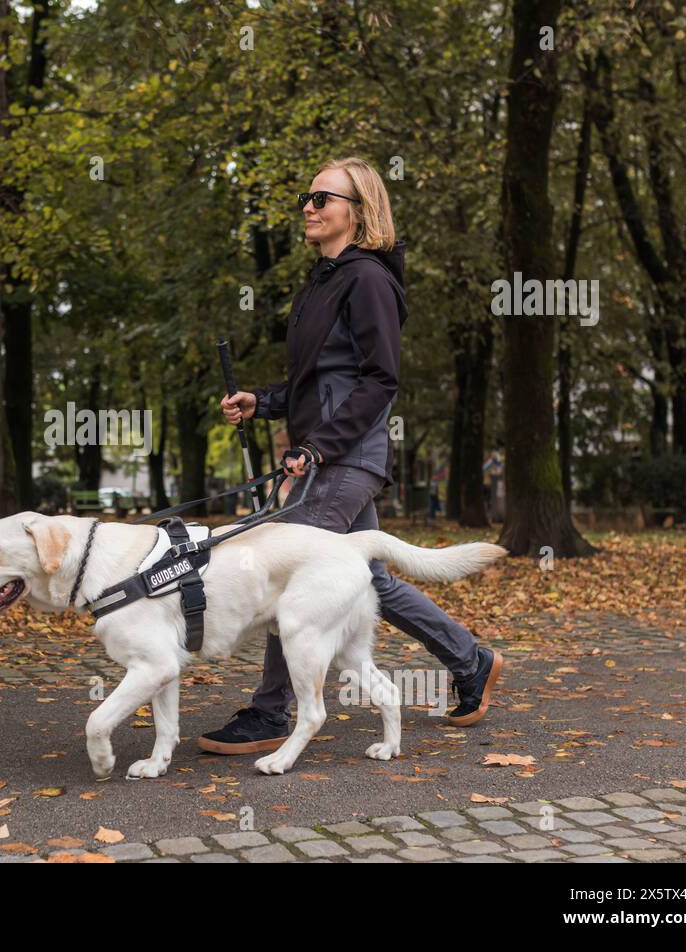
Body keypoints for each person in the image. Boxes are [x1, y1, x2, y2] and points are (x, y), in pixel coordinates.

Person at [198, 156, 502, 756]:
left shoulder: (367, 279)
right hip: (326, 453)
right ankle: (472, 661)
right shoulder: (324, 280)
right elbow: (317, 382)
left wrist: (318, 447)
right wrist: (262, 402)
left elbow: (378, 380)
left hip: (345, 456)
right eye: (307, 198)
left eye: (323, 198)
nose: (309, 207)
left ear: (359, 212)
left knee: (295, 573)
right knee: (366, 576)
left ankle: (270, 712)